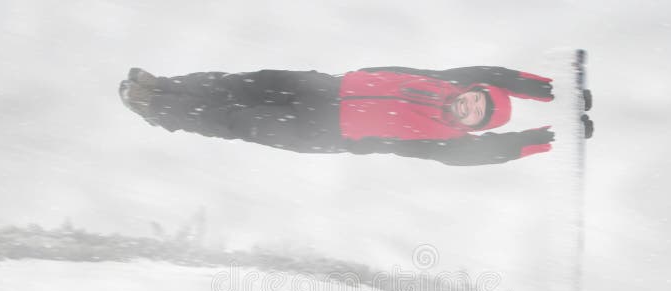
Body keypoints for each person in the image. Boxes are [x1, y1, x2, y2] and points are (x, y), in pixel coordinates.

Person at [119, 64, 556, 166]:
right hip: (324, 85)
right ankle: (164, 86)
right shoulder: (444, 80)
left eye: (478, 114)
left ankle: (156, 107)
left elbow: (497, 151)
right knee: (238, 83)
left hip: (321, 131)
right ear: (472, 90)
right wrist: (550, 91)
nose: (470, 106)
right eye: (477, 98)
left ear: (475, 126)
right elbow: (497, 74)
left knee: (233, 118)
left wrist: (550, 137)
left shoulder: (449, 142)